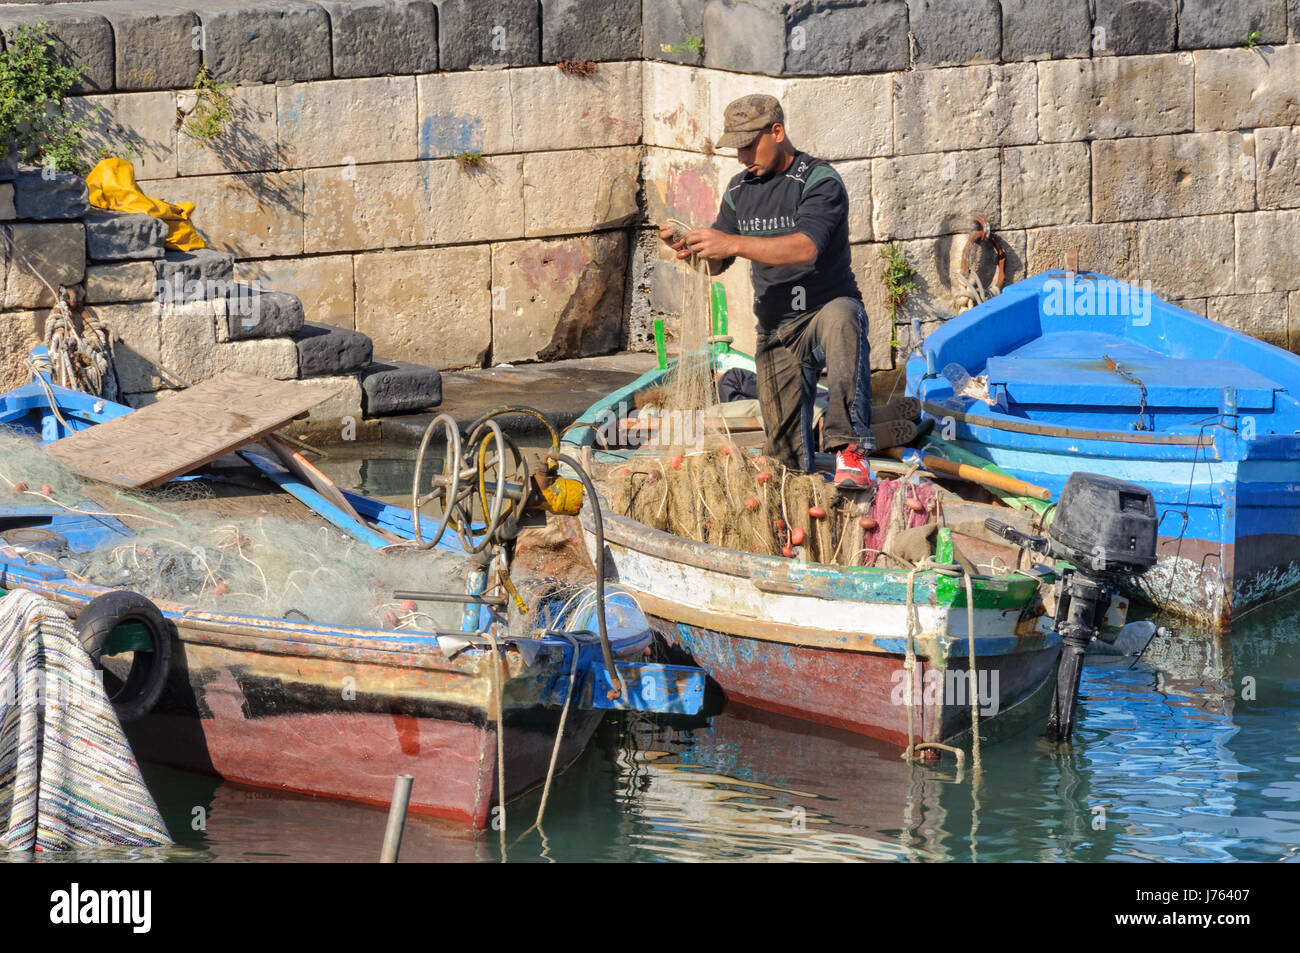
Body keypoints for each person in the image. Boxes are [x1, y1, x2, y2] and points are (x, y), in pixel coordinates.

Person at [660, 93, 875, 489]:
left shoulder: (819, 181)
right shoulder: (739, 190)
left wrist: (733, 243)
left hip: (823, 312)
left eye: (747, 146)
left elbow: (805, 247)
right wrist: (692, 251)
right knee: (786, 463)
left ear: (777, 132)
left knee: (845, 317)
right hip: (775, 328)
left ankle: (850, 450)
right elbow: (717, 263)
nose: (741, 157)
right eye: (736, 148)